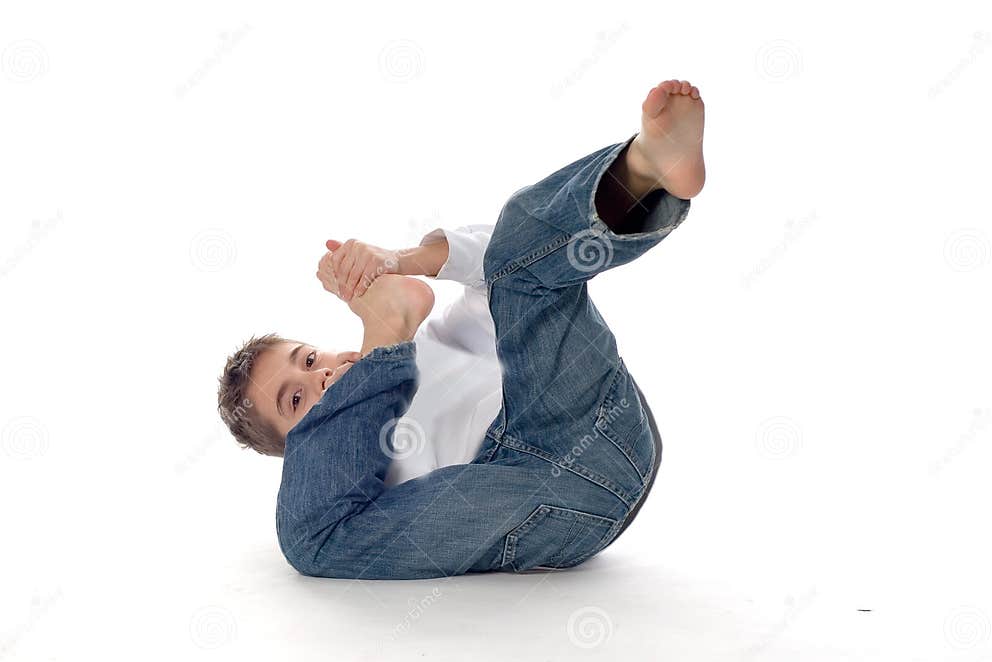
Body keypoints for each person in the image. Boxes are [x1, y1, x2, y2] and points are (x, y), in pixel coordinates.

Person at [216, 79, 705, 579]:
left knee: (516, 246)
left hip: (601, 421)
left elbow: (504, 267)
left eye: (310, 358)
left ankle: (646, 170)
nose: (317, 376)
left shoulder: (430, 347)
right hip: (537, 498)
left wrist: (403, 260)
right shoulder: (364, 499)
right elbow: (315, 526)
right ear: (298, 456)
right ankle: (382, 335)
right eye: (295, 401)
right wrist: (383, 341)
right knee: (311, 543)